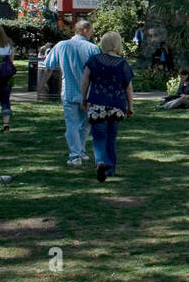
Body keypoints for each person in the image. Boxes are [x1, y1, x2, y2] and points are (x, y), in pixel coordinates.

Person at [44, 20, 101, 166]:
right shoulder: (93, 48)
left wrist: (44, 81)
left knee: (72, 124)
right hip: (88, 92)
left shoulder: (61, 45)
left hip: (69, 91)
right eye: (91, 31)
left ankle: (76, 154)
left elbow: (49, 64)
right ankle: (79, 151)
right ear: (86, 30)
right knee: (86, 124)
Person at [81, 31, 135, 183]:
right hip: (116, 105)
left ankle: (100, 162)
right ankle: (109, 167)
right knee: (111, 137)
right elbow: (128, 87)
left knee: (98, 136)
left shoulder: (94, 60)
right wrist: (130, 106)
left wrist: (83, 98)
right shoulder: (122, 63)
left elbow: (85, 80)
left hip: (97, 103)